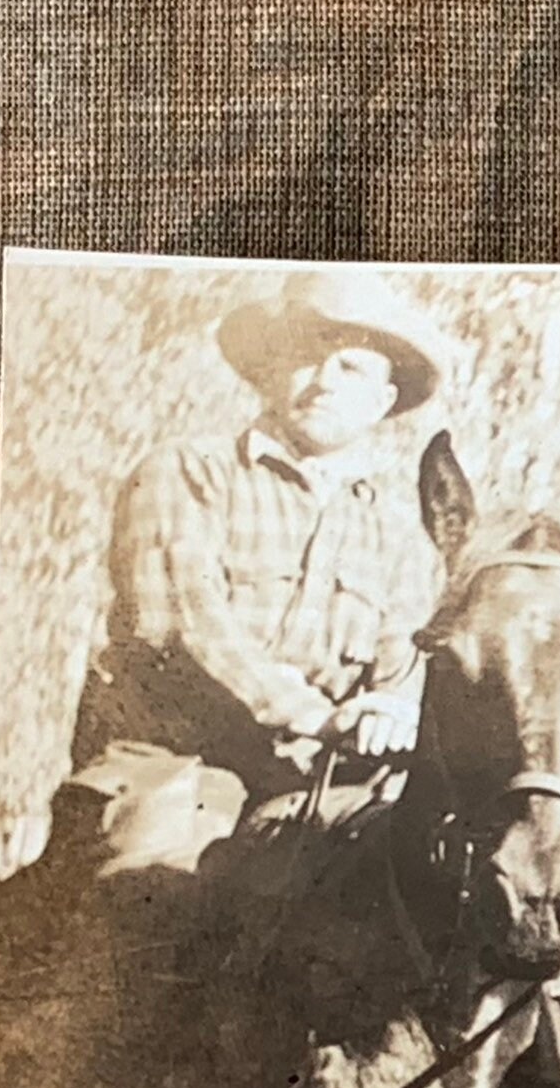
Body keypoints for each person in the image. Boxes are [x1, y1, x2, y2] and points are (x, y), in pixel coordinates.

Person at [71, 269, 451, 811]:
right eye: (306, 358)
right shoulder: (189, 471)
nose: (324, 380)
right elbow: (184, 625)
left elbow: (402, 666)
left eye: (350, 367)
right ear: (271, 367)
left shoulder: (395, 535)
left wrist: (389, 711)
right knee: (152, 872)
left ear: (381, 401)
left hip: (313, 784)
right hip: (174, 763)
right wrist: (316, 716)